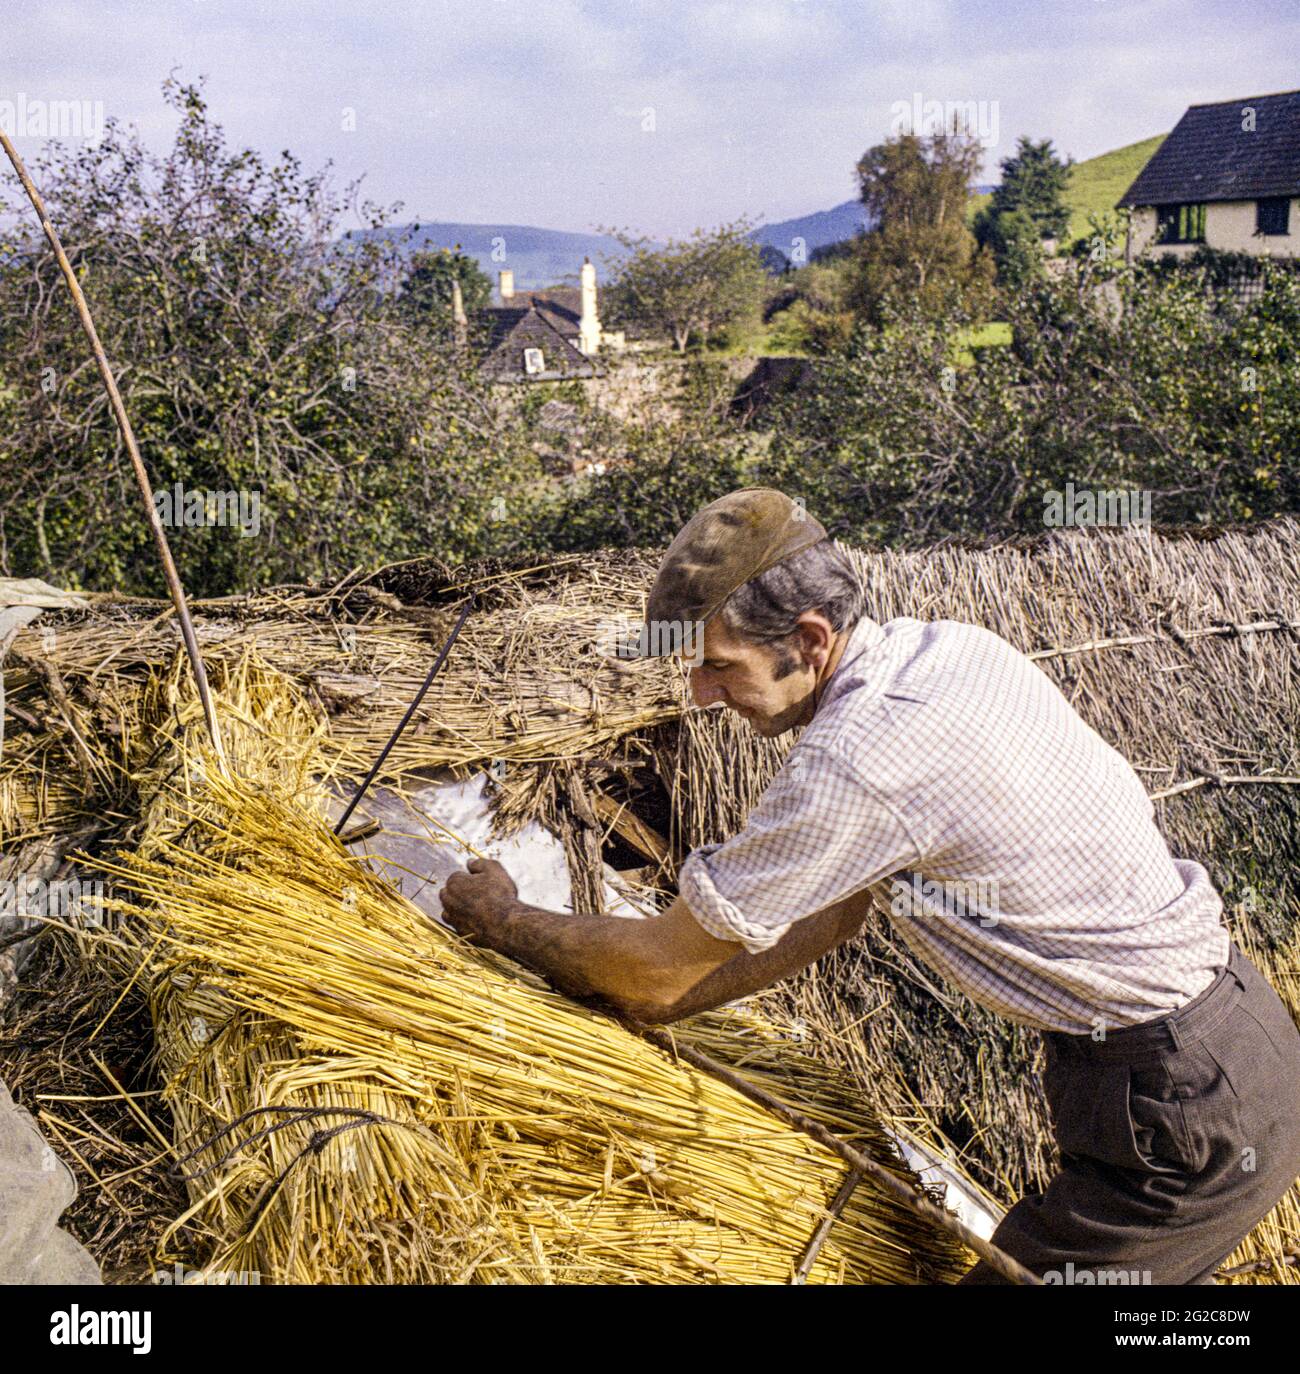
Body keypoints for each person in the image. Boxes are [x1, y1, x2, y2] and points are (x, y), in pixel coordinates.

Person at [438, 487, 1300, 1285]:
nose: (700, 696)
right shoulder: (956, 649)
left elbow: (656, 970)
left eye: (719, 666)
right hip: (1227, 1039)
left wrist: (508, 920)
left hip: (1176, 1103)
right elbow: (829, 916)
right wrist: (664, 1003)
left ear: (810, 641)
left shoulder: (859, 759)